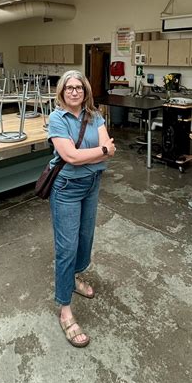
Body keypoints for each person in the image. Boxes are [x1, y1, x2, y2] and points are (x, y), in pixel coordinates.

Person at [48, 69, 116, 347]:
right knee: (67, 247)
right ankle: (65, 309)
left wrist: (99, 153)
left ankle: (74, 278)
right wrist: (101, 152)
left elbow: (108, 148)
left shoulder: (95, 115)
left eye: (78, 87)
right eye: (69, 88)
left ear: (85, 91)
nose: (74, 91)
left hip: (92, 185)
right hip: (66, 188)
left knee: (85, 238)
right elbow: (72, 156)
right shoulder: (57, 118)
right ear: (62, 92)